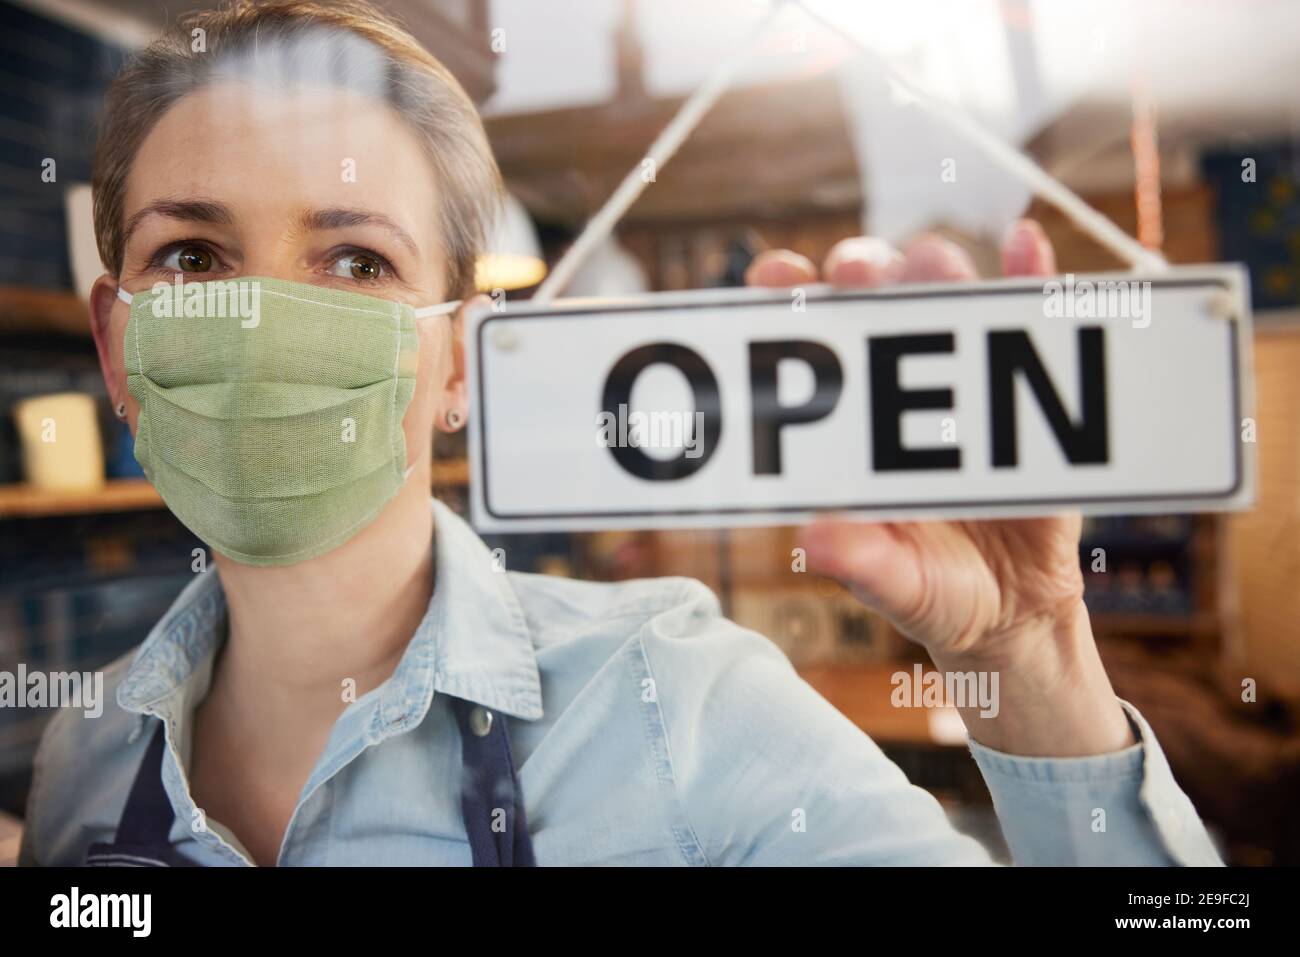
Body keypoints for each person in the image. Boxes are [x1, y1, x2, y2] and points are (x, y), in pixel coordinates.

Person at [20, 0, 1219, 866]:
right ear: (120, 346)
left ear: (458, 356)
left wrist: (1029, 653)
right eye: (192, 255)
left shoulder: (680, 706)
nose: (269, 317)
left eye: (356, 259)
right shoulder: (84, 753)